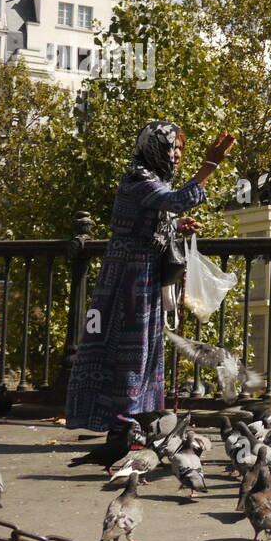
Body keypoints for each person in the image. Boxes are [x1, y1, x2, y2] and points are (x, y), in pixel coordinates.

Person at [65, 122, 235, 432]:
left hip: (143, 272)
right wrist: (210, 164)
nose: (176, 155)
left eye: (180, 149)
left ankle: (138, 417)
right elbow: (171, 201)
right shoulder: (137, 178)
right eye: (171, 148)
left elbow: (158, 214)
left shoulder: (154, 179)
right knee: (129, 346)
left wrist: (176, 224)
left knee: (144, 347)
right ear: (153, 149)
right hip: (129, 276)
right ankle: (124, 420)